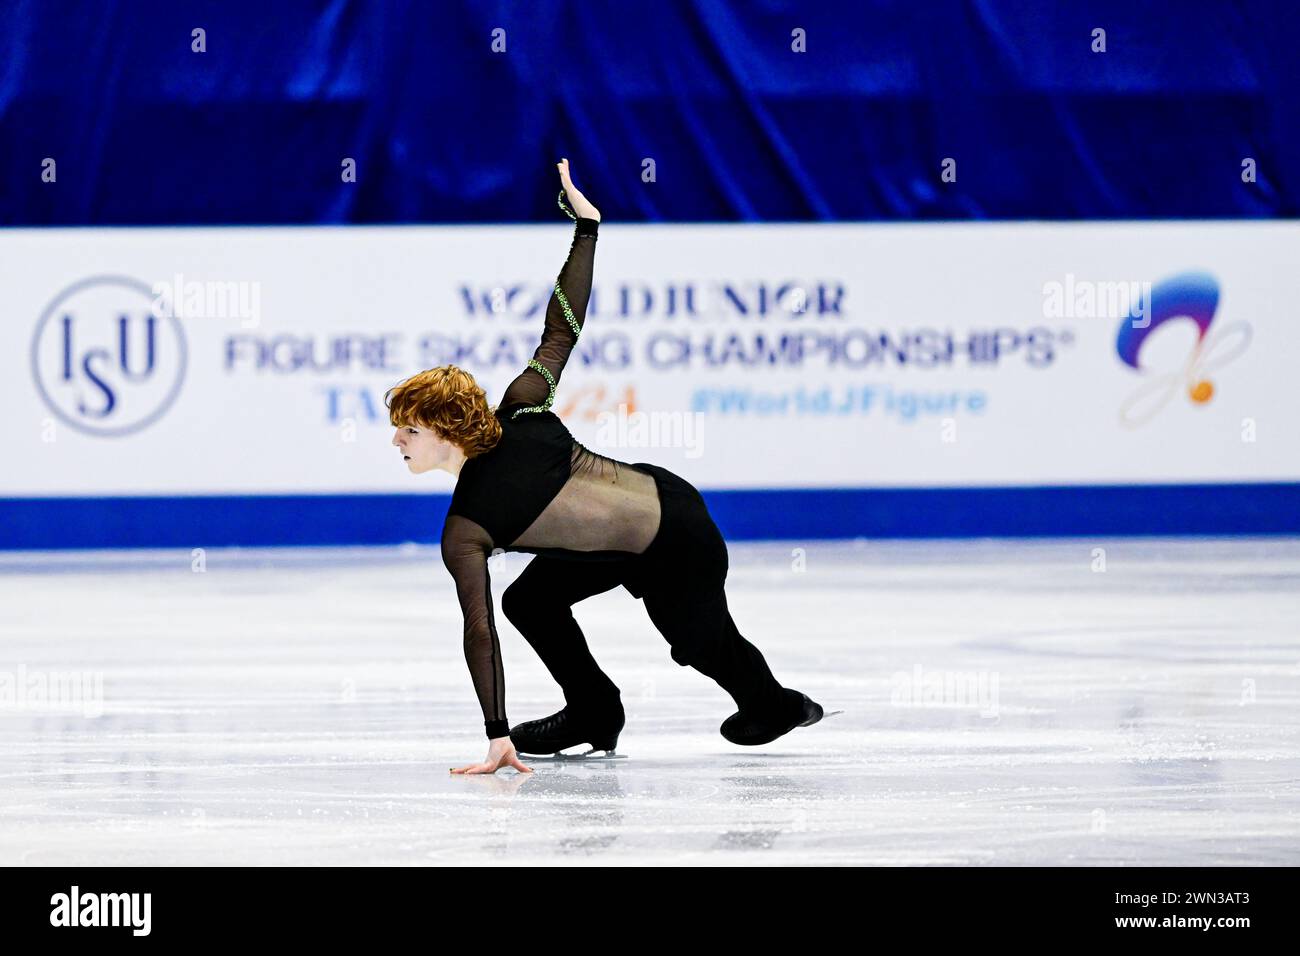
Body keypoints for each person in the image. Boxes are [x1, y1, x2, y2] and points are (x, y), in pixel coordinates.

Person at [387, 158, 824, 775]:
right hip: (610, 542)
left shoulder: (513, 426)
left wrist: (588, 231)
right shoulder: (474, 508)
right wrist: (498, 734)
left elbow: (561, 323)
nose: (397, 442)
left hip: (670, 529)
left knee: (699, 643)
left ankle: (778, 704)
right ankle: (594, 709)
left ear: (444, 430)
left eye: (409, 430)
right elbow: (479, 629)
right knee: (528, 602)